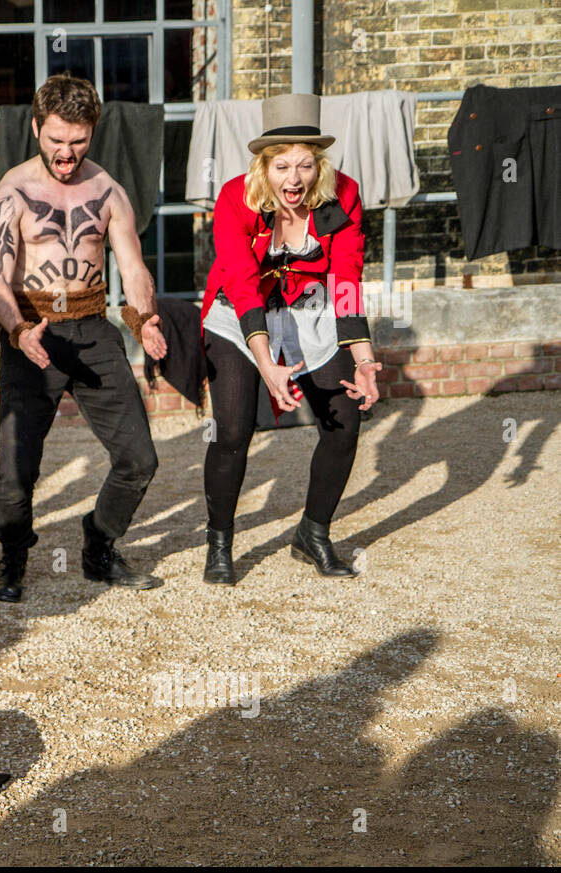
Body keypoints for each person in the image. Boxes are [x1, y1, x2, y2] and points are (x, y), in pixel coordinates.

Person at [0, 74, 165, 603]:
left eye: (78, 140)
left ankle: (99, 544)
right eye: (56, 139)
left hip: (91, 330)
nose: (66, 152)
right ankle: (11, 556)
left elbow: (132, 266)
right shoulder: (12, 193)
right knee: (16, 468)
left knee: (139, 460)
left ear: (93, 132)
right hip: (30, 331)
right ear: (36, 127)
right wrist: (17, 330)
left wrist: (143, 318)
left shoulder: (108, 191)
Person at [198, 93, 380, 585]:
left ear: (318, 164)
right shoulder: (235, 197)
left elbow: (346, 276)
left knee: (344, 423)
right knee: (232, 430)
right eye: (282, 167)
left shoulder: (343, 195)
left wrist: (362, 358)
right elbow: (238, 280)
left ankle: (313, 533)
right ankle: (220, 542)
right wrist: (265, 362)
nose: (294, 180)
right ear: (264, 166)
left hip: (310, 315)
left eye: (304, 165)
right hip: (238, 318)